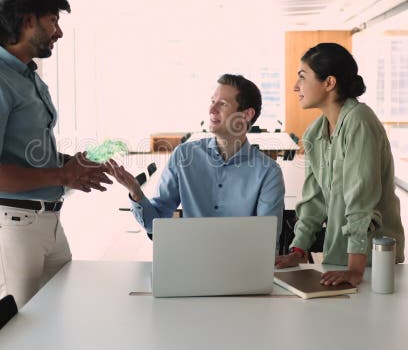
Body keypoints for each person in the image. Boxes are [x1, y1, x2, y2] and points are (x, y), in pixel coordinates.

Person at [0, 0, 113, 308]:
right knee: (17, 335)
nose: (59, 33)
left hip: (46, 222)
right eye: (53, 21)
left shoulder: (25, 74)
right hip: (8, 228)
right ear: (28, 21)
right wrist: (61, 176)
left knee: (60, 320)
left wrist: (68, 164)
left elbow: (25, 151)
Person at [274, 43, 405, 287]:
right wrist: (298, 250)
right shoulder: (315, 132)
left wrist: (355, 270)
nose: (295, 86)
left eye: (302, 77)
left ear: (329, 83)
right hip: (340, 259)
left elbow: (361, 200)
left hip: (372, 262)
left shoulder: (359, 122)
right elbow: (314, 200)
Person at [110, 74, 285, 241]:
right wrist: (136, 193)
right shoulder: (184, 156)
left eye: (222, 104)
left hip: (241, 266)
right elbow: (154, 224)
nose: (211, 109)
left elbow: (266, 241)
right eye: (212, 101)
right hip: (191, 262)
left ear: (247, 115)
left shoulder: (268, 172)